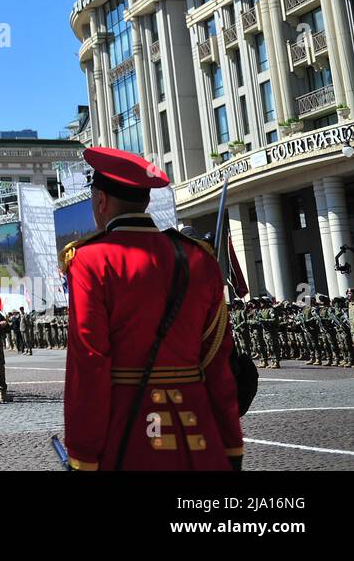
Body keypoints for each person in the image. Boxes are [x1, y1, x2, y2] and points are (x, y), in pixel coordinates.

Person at [61, 147, 243, 471]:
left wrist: (83, 456)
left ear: (100, 201)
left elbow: (89, 365)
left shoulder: (91, 261)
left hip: (129, 439)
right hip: (200, 438)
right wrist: (231, 446)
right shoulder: (199, 258)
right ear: (145, 201)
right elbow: (218, 364)